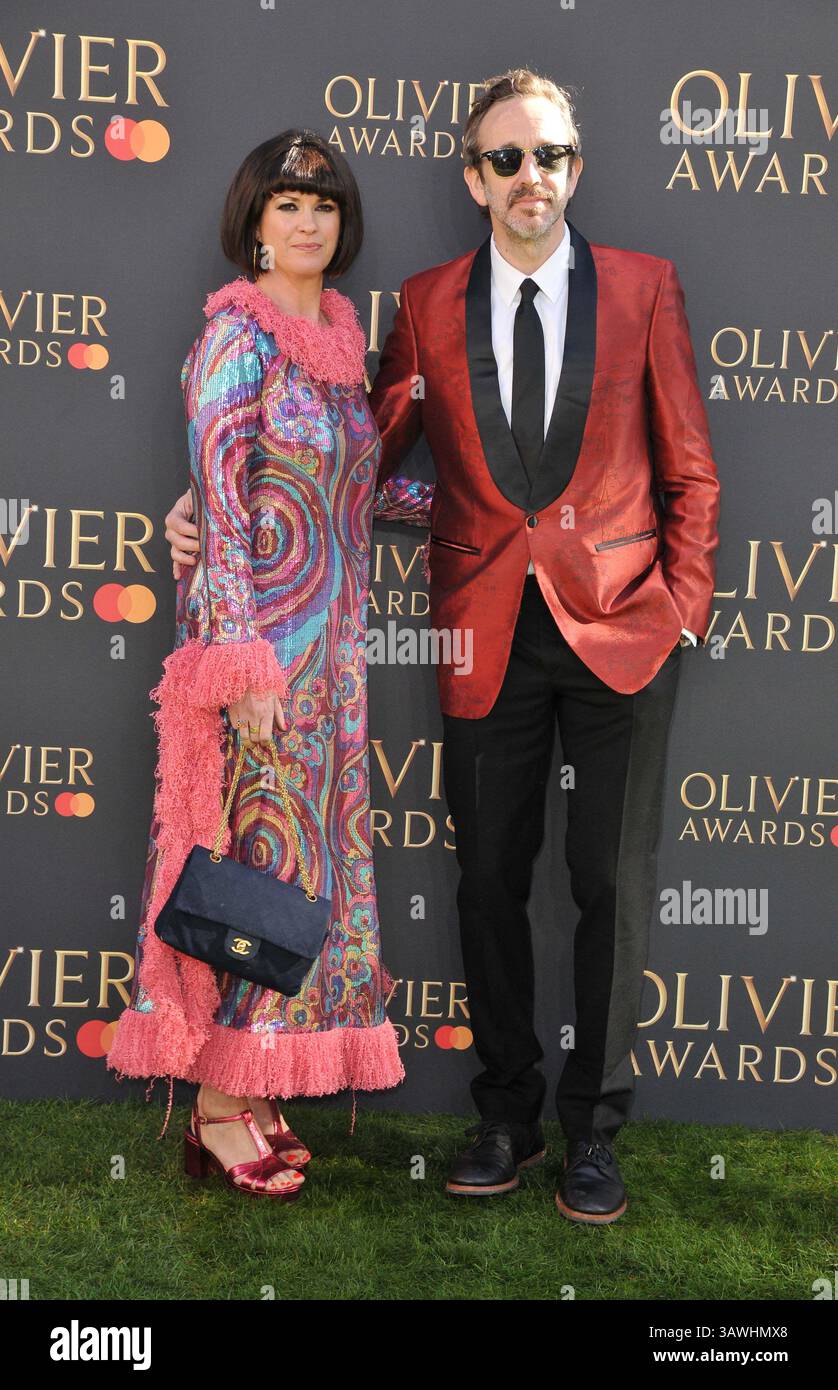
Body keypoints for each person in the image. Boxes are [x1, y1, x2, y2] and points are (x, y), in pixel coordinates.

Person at [167, 69, 720, 1223]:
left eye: (553, 155)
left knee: (608, 883)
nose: (533, 177)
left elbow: (688, 467)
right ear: (473, 178)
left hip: (625, 632)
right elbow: (369, 458)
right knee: (486, 883)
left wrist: (682, 603)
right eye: (507, 159)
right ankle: (505, 1111)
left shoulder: (645, 289)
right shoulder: (419, 304)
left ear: (578, 165)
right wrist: (208, 506)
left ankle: (594, 1131)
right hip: (480, 638)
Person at [107, 130, 405, 1199]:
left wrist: (485, 498)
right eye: (286, 205)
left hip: (331, 668)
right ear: (254, 221)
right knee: (251, 871)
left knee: (291, 880)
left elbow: (354, 497)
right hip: (260, 663)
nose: (308, 223)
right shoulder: (236, 336)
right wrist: (243, 675)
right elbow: (224, 515)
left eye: (323, 206)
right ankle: (218, 1111)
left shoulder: (336, 337)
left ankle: (254, 1079)